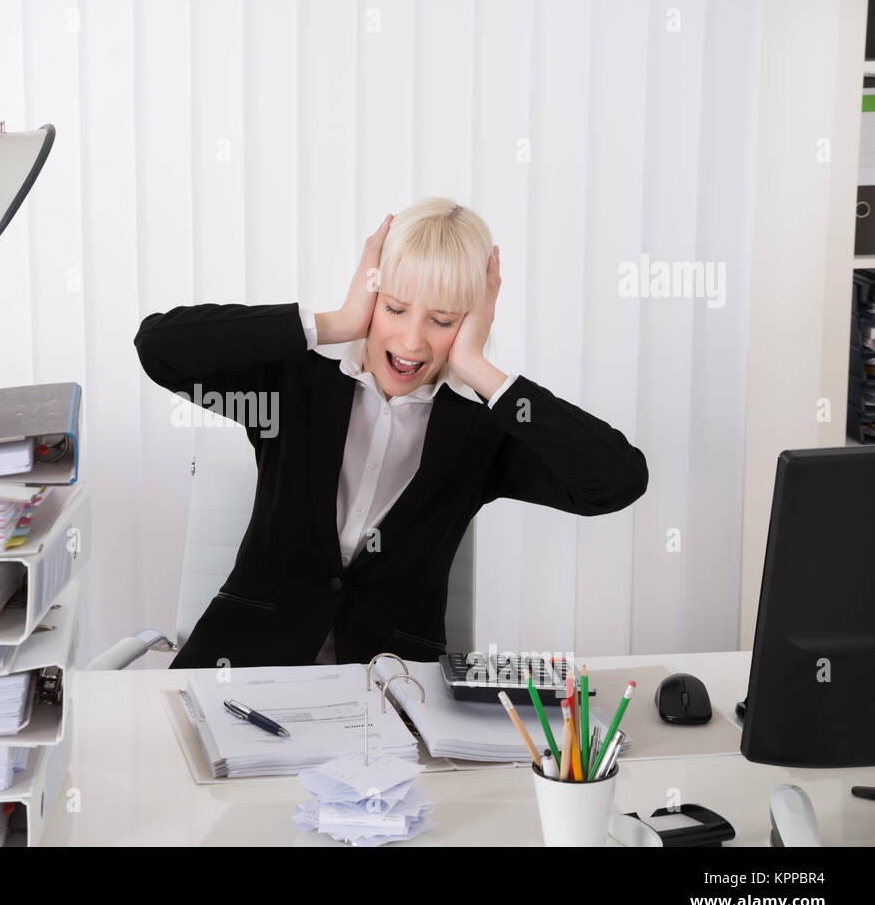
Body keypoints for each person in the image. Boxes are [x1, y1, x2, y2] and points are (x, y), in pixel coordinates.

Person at [134, 197, 648, 669]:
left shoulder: (481, 427)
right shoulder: (293, 382)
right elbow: (158, 348)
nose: (410, 341)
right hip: (242, 671)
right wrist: (334, 324)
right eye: (395, 309)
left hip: (394, 696)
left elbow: (617, 481)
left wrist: (478, 367)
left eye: (443, 321)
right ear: (371, 294)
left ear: (473, 321)